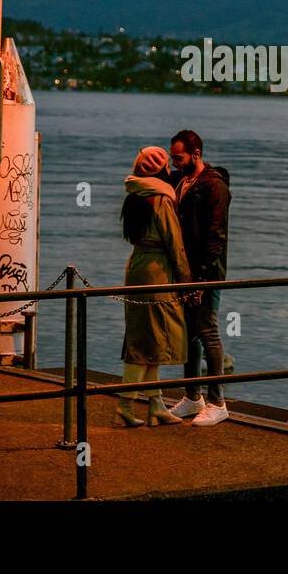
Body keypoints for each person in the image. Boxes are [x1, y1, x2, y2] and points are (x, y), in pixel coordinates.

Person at [114, 146, 190, 428]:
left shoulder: (136, 195)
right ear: (160, 170)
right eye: (166, 167)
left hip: (137, 265)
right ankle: (125, 403)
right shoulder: (160, 199)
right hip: (157, 273)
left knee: (148, 339)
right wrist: (186, 281)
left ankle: (156, 406)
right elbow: (175, 243)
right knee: (146, 343)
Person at [166, 129, 232, 427]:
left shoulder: (214, 187)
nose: (174, 162)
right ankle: (193, 396)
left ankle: (218, 401)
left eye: (178, 157)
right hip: (186, 272)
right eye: (171, 157)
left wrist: (201, 279)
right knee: (188, 333)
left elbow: (216, 236)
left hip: (205, 272)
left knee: (207, 331)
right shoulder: (182, 180)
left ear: (196, 154)